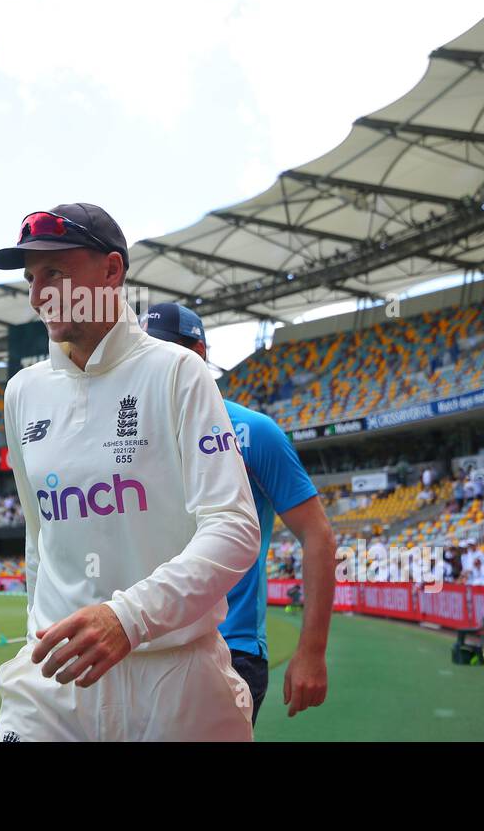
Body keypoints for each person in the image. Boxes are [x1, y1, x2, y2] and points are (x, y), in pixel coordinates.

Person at [0, 204, 260, 742]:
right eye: (31, 280)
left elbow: (234, 525)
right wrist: (34, 632)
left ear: (112, 272)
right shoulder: (23, 392)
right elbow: (40, 536)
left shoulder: (178, 371)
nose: (38, 294)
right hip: (55, 678)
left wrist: (127, 618)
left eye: (54, 274)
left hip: (175, 678)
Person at [141, 302, 334, 724]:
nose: (154, 366)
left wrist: (312, 650)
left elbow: (317, 534)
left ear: (198, 353)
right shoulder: (133, 441)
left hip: (233, 648)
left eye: (167, 352)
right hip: (148, 643)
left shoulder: (253, 431)